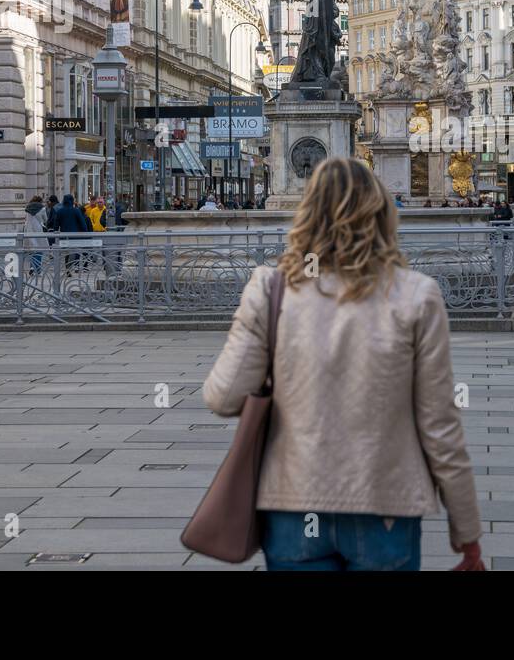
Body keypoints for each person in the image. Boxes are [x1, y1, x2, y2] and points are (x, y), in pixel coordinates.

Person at [203, 157, 483, 571]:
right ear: (382, 213)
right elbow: (439, 424)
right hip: (386, 507)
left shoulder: (271, 288)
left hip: (295, 507)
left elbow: (223, 397)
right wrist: (467, 531)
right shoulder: (416, 295)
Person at [24, 196, 49, 273]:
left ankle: (32, 267)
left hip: (29, 230)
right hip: (38, 229)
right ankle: (37, 268)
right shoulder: (42, 209)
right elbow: (46, 220)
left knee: (32, 249)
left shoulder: (27, 208)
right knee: (39, 249)